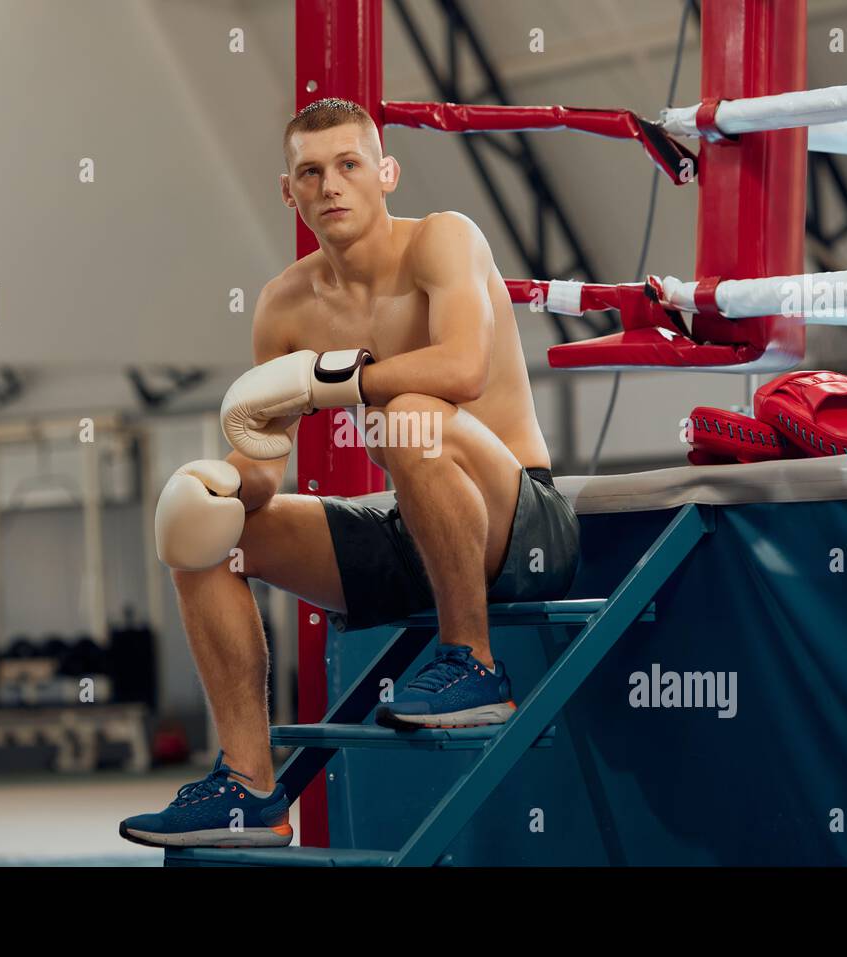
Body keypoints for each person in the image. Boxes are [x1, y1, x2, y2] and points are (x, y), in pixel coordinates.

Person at [119, 98, 579, 849]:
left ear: (385, 173)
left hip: (520, 525)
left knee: (408, 406)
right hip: (418, 533)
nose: (330, 185)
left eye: (348, 165)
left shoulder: (444, 239)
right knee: (204, 529)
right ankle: (249, 788)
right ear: (288, 191)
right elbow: (268, 468)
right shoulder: (284, 306)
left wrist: (341, 381)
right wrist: (222, 482)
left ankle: (474, 663)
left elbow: (462, 367)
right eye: (310, 172)